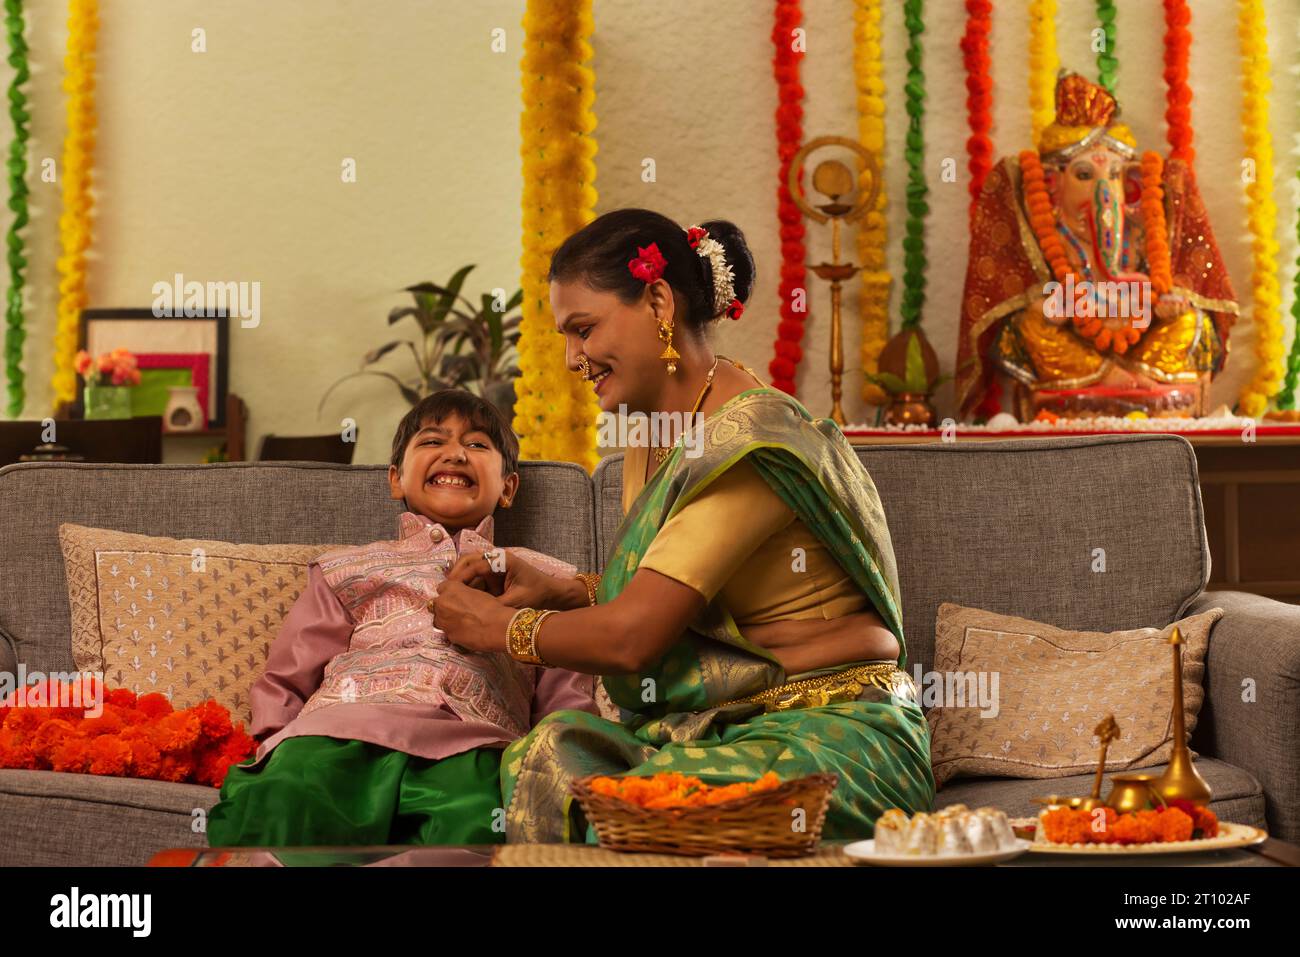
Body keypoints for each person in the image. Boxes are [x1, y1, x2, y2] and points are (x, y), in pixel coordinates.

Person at [432, 208, 935, 843]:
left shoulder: (750, 441)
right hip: (714, 727)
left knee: (665, 817)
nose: (572, 359)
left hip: (828, 734)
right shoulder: (655, 431)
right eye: (565, 337)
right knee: (550, 755)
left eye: (583, 329)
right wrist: (567, 591)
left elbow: (633, 639)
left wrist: (500, 627)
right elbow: (685, 597)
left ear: (659, 301)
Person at [207, 389, 598, 847]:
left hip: (475, 745)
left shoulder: (546, 578)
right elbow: (288, 675)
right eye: (433, 441)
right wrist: (278, 742)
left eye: (476, 445)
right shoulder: (347, 569)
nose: (454, 454)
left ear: (508, 487)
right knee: (283, 798)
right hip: (338, 731)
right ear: (396, 479)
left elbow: (565, 701)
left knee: (479, 825)